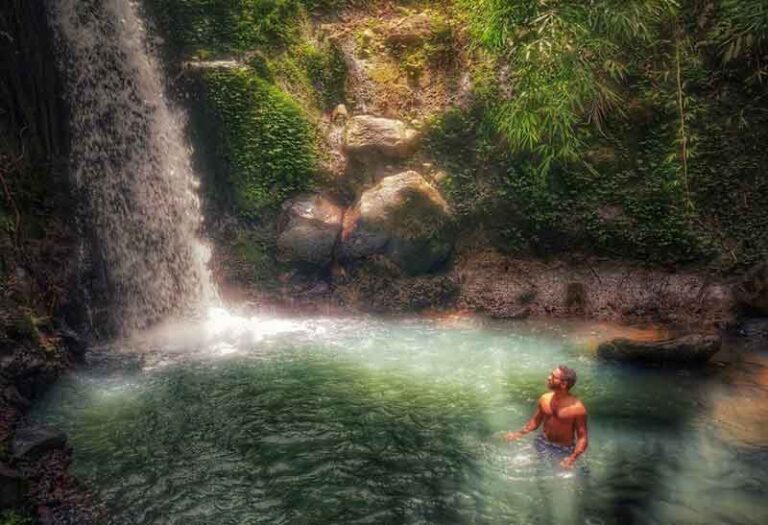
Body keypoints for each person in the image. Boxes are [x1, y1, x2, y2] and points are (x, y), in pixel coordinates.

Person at [504, 365, 588, 469]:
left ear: (563, 384)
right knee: (520, 465)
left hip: (564, 449)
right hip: (542, 441)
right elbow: (535, 422)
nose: (548, 378)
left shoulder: (577, 409)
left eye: (553, 377)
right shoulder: (545, 399)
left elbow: (582, 438)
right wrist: (518, 434)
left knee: (565, 476)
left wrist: (571, 459)